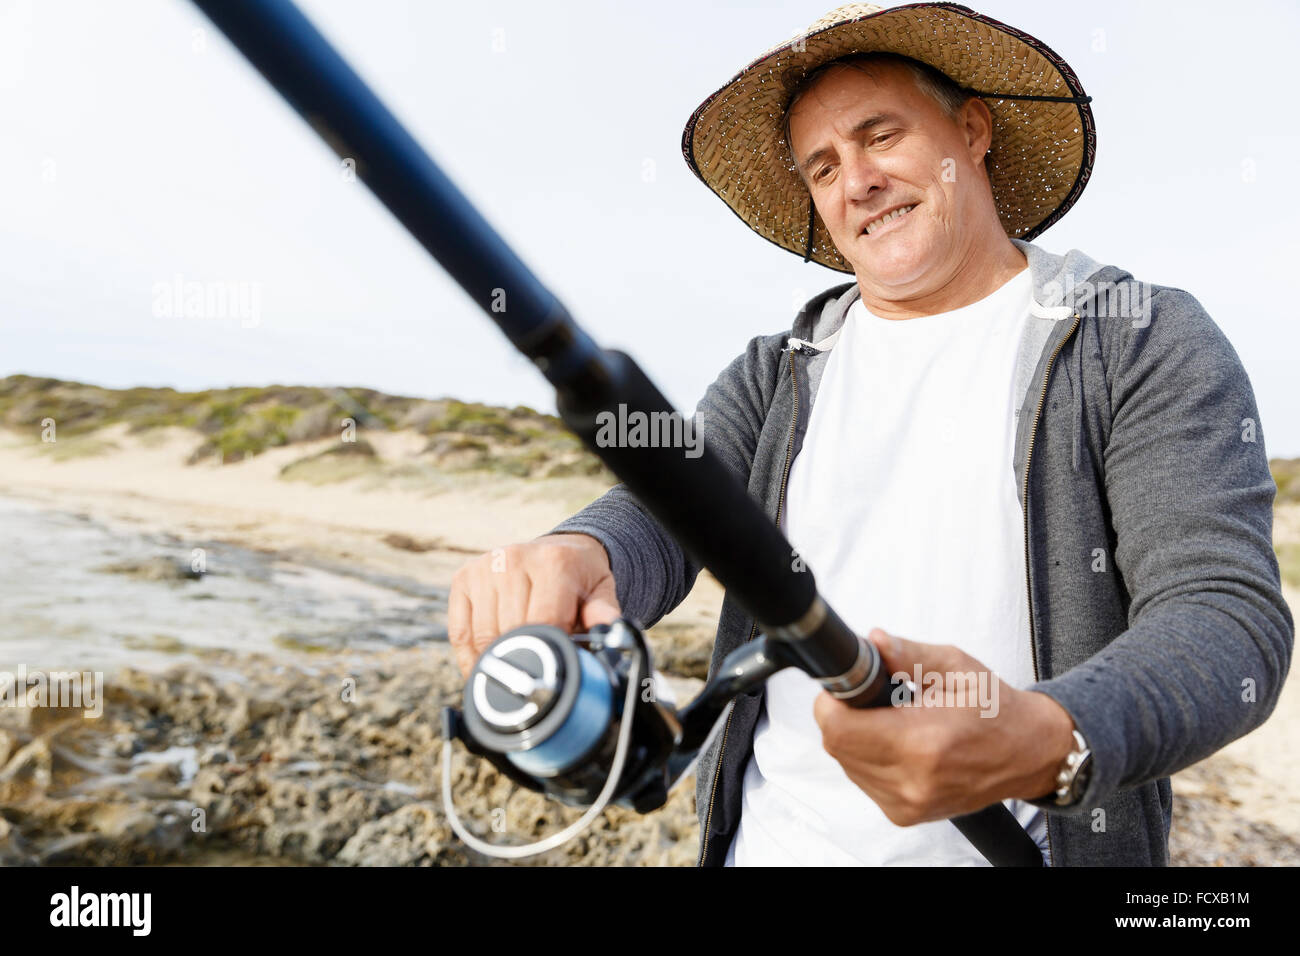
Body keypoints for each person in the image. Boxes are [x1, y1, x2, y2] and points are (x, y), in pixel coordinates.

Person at [448, 2, 1293, 866]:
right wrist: (582, 553)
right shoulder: (776, 371)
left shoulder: (1138, 336)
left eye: (880, 136)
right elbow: (671, 508)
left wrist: (1049, 736)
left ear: (973, 130)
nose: (856, 182)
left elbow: (1227, 617)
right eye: (823, 166)